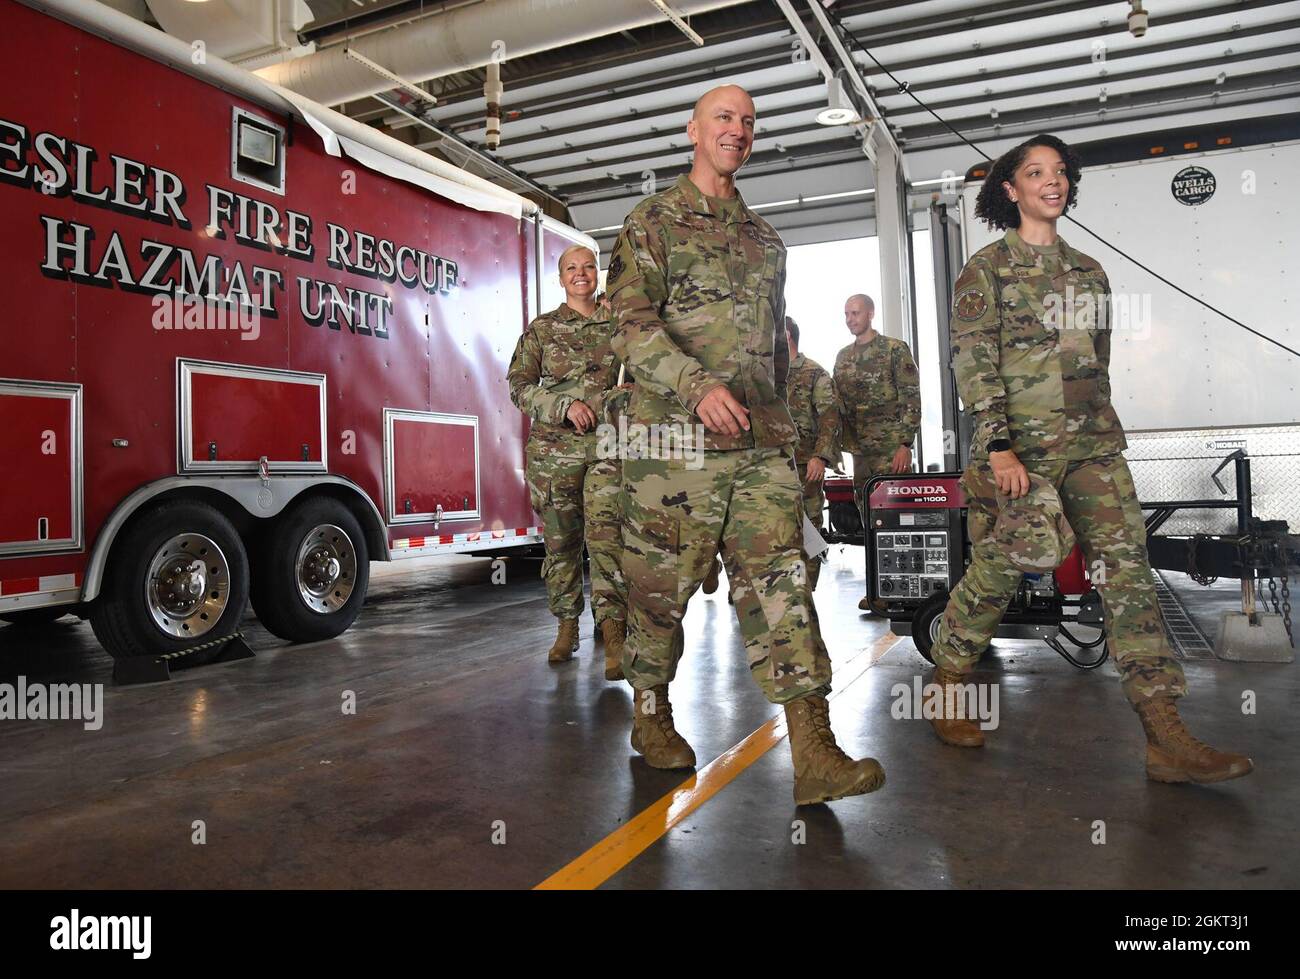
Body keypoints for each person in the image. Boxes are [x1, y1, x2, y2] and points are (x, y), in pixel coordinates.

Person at [930, 132, 1252, 783]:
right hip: (1020, 451)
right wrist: (998, 445)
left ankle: (1164, 731)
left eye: (1060, 172)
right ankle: (949, 674)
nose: (1052, 181)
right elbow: (974, 361)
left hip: (1093, 450)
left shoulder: (1089, 273)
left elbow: (1095, 364)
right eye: (1035, 171)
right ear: (1012, 188)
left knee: (1127, 572)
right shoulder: (985, 271)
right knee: (1006, 564)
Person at [606, 83, 883, 805]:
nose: (738, 129)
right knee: (658, 595)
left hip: (758, 450)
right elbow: (629, 325)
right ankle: (651, 712)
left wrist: (787, 434)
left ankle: (814, 748)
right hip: (673, 449)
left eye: (749, 121)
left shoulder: (767, 241)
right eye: (724, 118)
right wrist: (696, 385)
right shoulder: (652, 223)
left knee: (785, 584)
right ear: (692, 130)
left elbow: (774, 350)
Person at [507, 245, 628, 680]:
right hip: (553, 456)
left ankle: (614, 634)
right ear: (560, 279)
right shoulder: (543, 329)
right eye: (571, 269)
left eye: (588, 267)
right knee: (561, 545)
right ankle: (566, 627)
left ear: (597, 274)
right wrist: (561, 405)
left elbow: (642, 372)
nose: (581, 274)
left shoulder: (618, 323)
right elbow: (518, 385)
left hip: (607, 451)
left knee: (607, 541)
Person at [833, 293, 921, 612]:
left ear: (871, 314)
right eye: (846, 314)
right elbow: (838, 409)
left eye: (855, 313)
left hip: (890, 452)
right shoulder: (843, 358)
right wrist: (835, 448)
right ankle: (878, 591)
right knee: (870, 524)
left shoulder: (894, 350)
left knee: (897, 520)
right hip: (861, 455)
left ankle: (908, 589)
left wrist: (905, 445)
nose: (850, 319)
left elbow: (911, 398)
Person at [784, 316, 841, 591]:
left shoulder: (813, 373)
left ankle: (804, 591)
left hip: (806, 466)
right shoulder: (766, 373)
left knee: (808, 529)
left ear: (787, 335)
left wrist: (821, 456)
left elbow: (830, 417)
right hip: (770, 467)